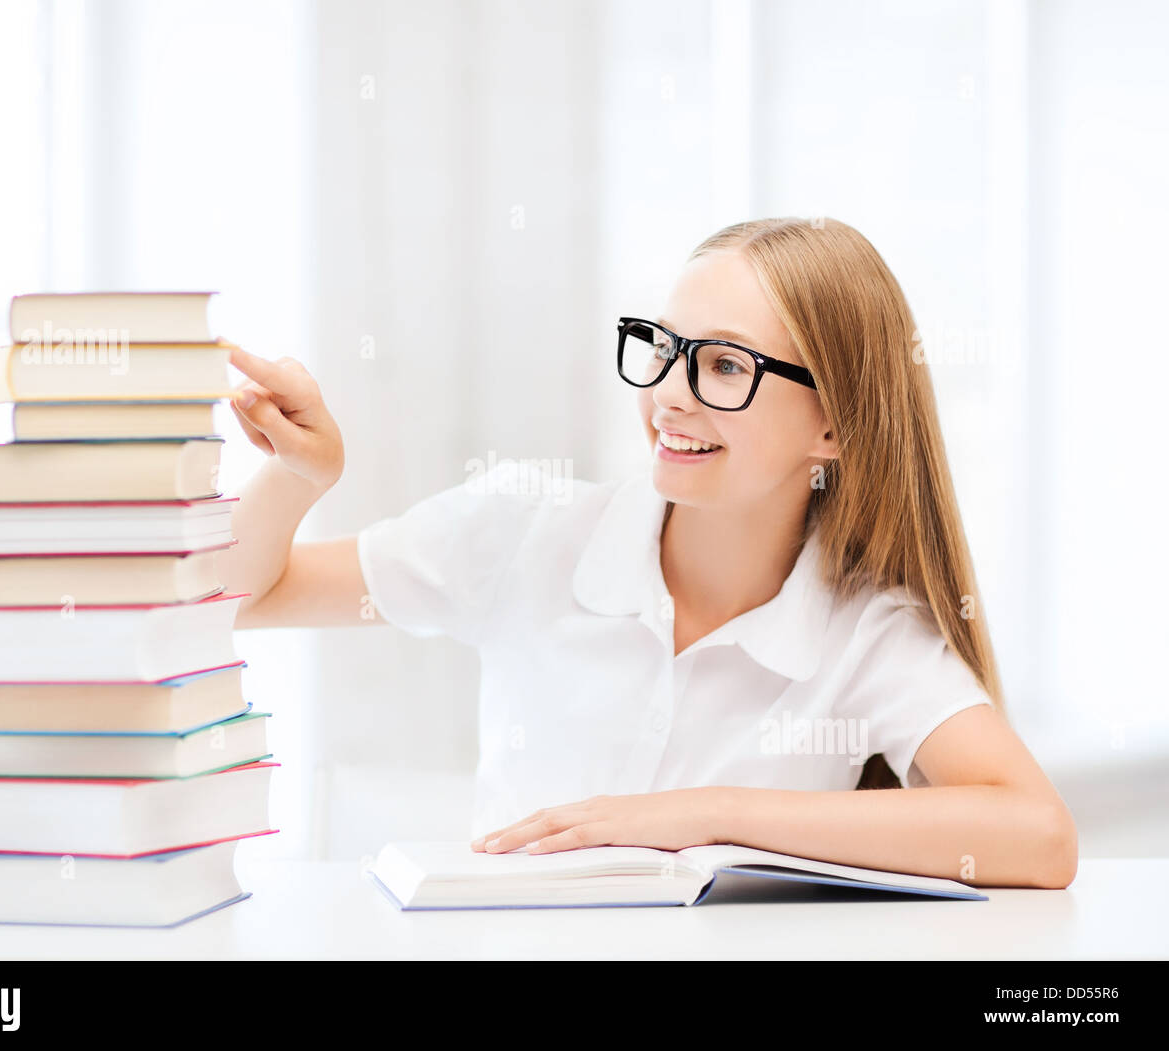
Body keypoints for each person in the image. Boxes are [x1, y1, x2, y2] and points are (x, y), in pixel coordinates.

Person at [215, 217, 1077, 889]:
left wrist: (707, 815)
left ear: (834, 425)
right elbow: (242, 595)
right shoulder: (525, 528)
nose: (668, 394)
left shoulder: (864, 633)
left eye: (726, 367)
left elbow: (1038, 835)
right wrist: (298, 475)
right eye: (662, 348)